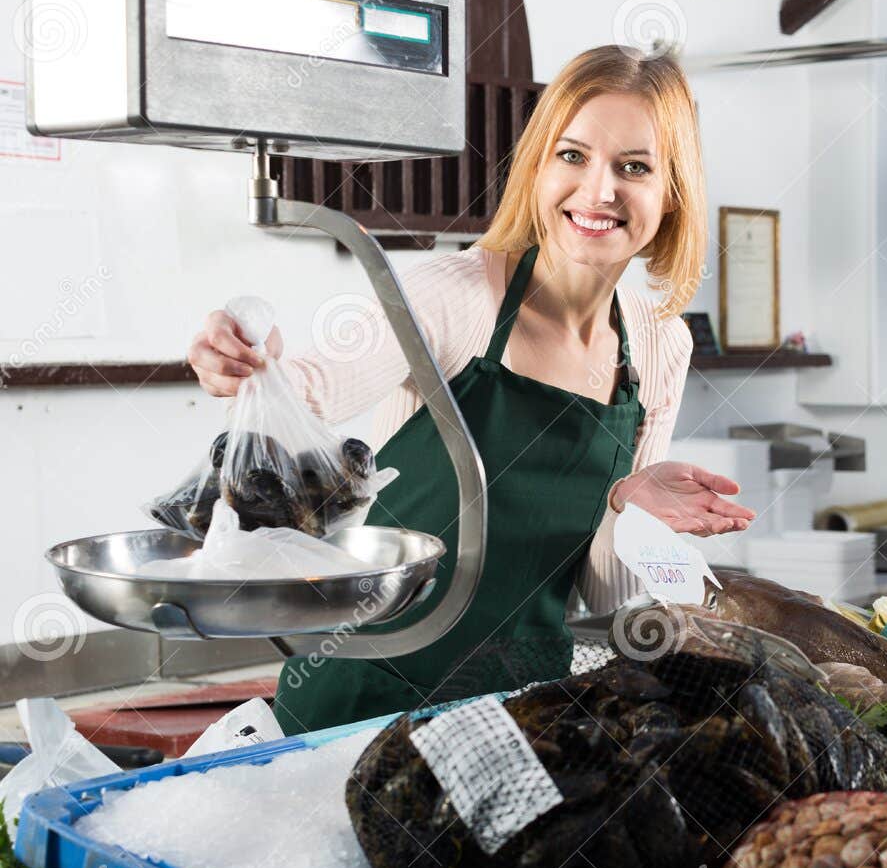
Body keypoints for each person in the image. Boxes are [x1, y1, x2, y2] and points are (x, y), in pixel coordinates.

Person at [187, 46, 754, 732]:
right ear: (538, 167)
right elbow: (310, 392)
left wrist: (627, 508)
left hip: (515, 710)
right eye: (572, 155)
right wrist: (250, 365)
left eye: (634, 167)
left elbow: (603, 594)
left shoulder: (661, 345)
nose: (599, 190)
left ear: (672, 194)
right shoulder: (455, 297)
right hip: (364, 696)